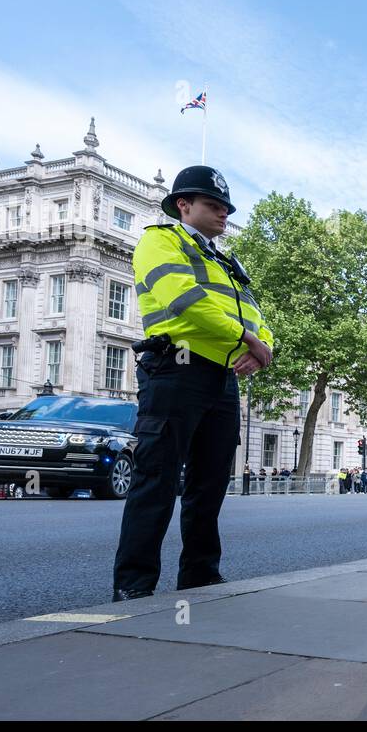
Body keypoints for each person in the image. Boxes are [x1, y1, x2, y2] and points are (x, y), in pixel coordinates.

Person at [113, 165, 273, 601]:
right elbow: (183, 299)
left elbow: (255, 315)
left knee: (210, 482)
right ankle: (134, 584)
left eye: (226, 207)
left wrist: (262, 347)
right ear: (183, 205)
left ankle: (200, 575)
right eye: (213, 205)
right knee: (157, 478)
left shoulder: (227, 260)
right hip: (175, 369)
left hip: (222, 378)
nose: (224, 213)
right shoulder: (160, 240)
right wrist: (246, 339)